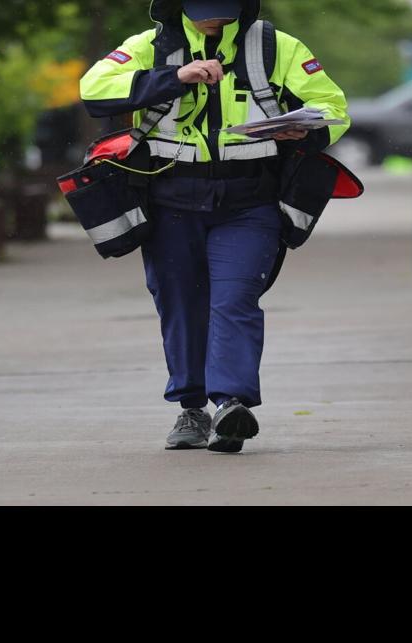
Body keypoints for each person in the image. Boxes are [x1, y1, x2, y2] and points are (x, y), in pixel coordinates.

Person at [79, 0, 350, 453]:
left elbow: (334, 106)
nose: (214, 18)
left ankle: (230, 404)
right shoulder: (150, 47)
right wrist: (175, 77)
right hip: (170, 200)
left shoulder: (275, 47)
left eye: (224, 7)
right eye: (204, 8)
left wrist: (308, 130)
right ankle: (192, 408)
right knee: (180, 304)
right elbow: (94, 89)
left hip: (250, 200)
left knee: (235, 298)